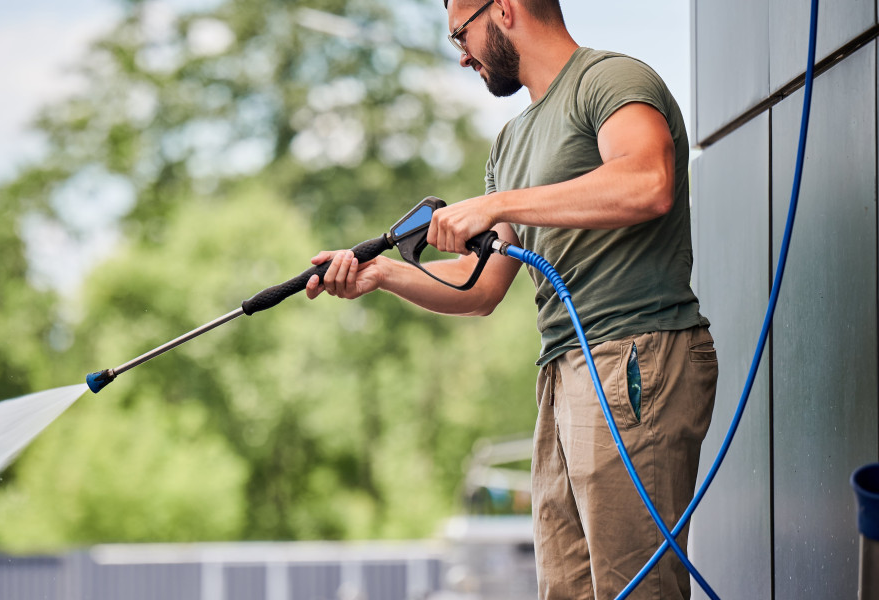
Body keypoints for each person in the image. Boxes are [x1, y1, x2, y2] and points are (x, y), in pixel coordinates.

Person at [304, 1, 718, 598]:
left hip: (634, 356)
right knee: (565, 589)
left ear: (503, 8)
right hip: (561, 372)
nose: (462, 53)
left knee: (637, 590)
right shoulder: (512, 141)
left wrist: (498, 205)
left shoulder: (610, 80)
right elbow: (485, 286)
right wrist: (383, 276)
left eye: (459, 34)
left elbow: (647, 182)